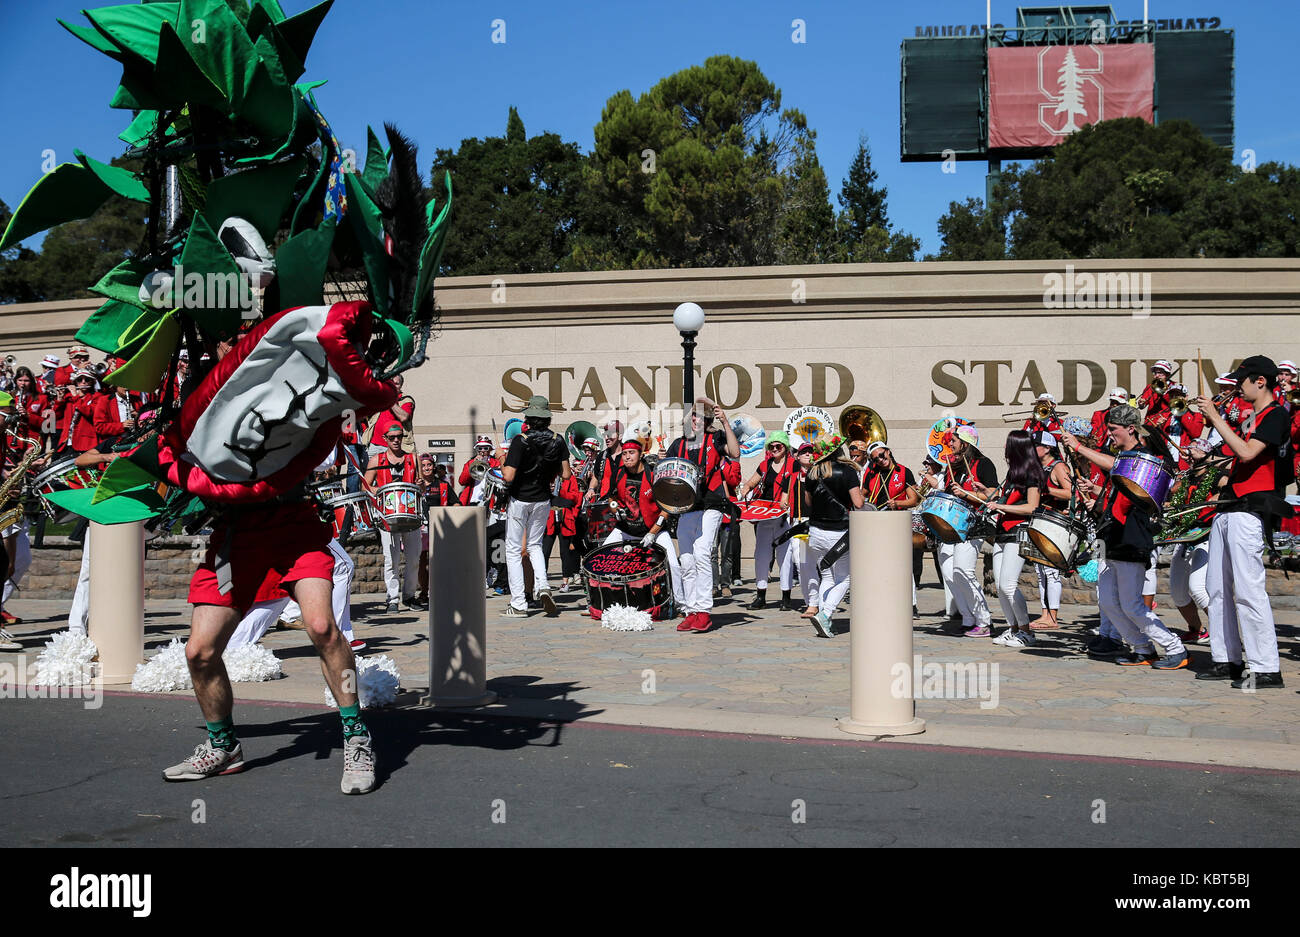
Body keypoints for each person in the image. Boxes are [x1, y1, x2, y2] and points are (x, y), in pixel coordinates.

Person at [1061, 405, 1189, 670]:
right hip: (1112, 535)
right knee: (1107, 601)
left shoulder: (1142, 456)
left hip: (1132, 536)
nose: (1109, 435)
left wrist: (1079, 447)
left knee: (1132, 604)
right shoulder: (1122, 456)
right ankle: (1142, 648)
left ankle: (1175, 647)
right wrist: (1096, 489)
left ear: (1130, 428)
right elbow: (1120, 492)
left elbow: (1123, 470)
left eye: (1113, 430)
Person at [1193, 355, 1293, 689]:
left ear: (1260, 381)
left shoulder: (1276, 414)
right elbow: (1237, 460)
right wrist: (1206, 457)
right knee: (1217, 589)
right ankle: (1227, 659)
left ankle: (1266, 666)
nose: (1239, 386)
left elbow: (1249, 453)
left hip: (1250, 511)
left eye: (1243, 380)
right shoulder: (1252, 416)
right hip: (1230, 506)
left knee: (1249, 590)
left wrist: (1215, 418)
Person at [664, 398, 739, 633]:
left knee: (702, 553)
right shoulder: (678, 444)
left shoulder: (715, 439)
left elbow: (735, 453)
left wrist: (725, 421)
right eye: (694, 416)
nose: (697, 420)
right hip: (688, 506)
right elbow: (667, 472)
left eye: (702, 418)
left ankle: (704, 610)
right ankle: (690, 610)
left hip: (712, 503)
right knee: (685, 559)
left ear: (708, 422)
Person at [500, 395, 570, 618]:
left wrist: (501, 458)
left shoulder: (520, 440)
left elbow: (509, 476)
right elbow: (566, 474)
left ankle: (519, 603)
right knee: (535, 546)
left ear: (529, 417)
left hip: (520, 498)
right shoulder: (558, 440)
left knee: (513, 550)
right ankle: (543, 585)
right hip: (543, 499)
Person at [602, 438, 685, 609]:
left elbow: (667, 507)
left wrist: (653, 533)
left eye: (631, 453)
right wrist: (615, 509)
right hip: (625, 528)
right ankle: (605, 603)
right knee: (603, 559)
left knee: (674, 565)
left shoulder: (653, 474)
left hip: (654, 529)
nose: (627, 457)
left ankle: (680, 604)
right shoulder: (619, 473)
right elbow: (611, 498)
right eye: (624, 453)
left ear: (641, 455)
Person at [982, 430, 1045, 648]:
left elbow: (1032, 507)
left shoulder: (1032, 473)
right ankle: (1013, 628)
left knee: (1008, 584)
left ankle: (1026, 631)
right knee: (1000, 585)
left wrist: (1000, 506)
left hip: (1019, 532)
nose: (1005, 448)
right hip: (1003, 532)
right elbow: (1008, 500)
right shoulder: (1012, 473)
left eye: (1008, 444)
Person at [940, 424, 998, 638]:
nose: (950, 444)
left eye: (953, 440)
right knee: (951, 573)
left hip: (972, 525)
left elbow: (993, 496)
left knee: (964, 570)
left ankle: (984, 620)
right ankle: (968, 618)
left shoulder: (984, 464)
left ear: (964, 443)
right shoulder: (953, 467)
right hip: (951, 525)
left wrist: (966, 494)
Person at [803, 436, 864, 638]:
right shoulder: (847, 471)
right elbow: (859, 503)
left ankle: (823, 616)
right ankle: (826, 614)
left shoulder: (812, 472)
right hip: (839, 532)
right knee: (846, 577)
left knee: (827, 576)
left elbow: (808, 502)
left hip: (816, 531)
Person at [364, 424, 425, 613]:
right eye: (392, 437)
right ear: (385, 439)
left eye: (399, 436)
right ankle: (392, 598)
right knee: (391, 559)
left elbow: (421, 488)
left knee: (414, 558)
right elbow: (365, 485)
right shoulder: (377, 459)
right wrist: (381, 491)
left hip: (410, 516)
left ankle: (409, 596)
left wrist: (420, 485)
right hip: (388, 516)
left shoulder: (413, 459)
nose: (396, 440)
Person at [860, 440, 921, 613]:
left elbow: (914, 500)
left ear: (888, 451)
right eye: (875, 459)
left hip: (897, 521)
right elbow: (861, 496)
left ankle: (911, 603)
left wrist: (898, 503)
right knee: (878, 564)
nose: (880, 460)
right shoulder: (871, 474)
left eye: (881, 455)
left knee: (902, 564)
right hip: (876, 522)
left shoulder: (903, 472)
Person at [738, 431, 795, 610]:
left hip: (784, 516)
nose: (775, 449)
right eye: (772, 446)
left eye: (778, 446)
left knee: (785, 556)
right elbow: (751, 483)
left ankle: (786, 596)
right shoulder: (765, 464)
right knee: (761, 555)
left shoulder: (793, 464)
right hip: (764, 514)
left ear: (785, 447)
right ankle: (760, 595)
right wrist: (745, 489)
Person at [1026, 431, 1074, 632]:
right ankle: (1045, 613)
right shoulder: (1038, 468)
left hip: (1054, 522)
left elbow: (1071, 493)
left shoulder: (1058, 467)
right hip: (1040, 521)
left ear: (1047, 448)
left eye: (1035, 445)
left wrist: (1046, 490)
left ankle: (1052, 615)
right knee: (1040, 572)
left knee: (1051, 572)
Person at [415, 454, 456, 604]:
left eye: (429, 465)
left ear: (434, 466)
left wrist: (455, 515)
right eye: (423, 465)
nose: (426, 468)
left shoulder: (443, 485)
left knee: (436, 562)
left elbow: (455, 503)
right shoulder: (413, 485)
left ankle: (437, 591)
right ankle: (423, 592)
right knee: (421, 561)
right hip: (420, 528)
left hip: (439, 527)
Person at [1137, 359, 1176, 430]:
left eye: (1160, 373)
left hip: (1167, 424)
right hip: (1150, 423)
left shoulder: (1175, 387)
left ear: (1167, 374)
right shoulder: (1150, 386)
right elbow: (1142, 406)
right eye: (1155, 373)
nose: (1157, 376)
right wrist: (1141, 403)